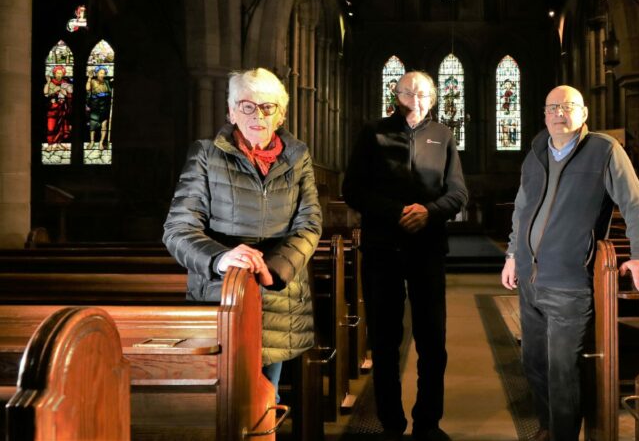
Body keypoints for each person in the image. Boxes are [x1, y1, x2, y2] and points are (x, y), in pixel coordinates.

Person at [501, 85, 639, 441]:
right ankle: (547, 427)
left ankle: (564, 435)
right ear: (544, 115)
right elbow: (522, 209)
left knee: (563, 370)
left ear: (584, 113)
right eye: (552, 107)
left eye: (568, 106)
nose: (559, 113)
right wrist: (511, 255)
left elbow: (636, 204)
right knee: (534, 363)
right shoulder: (536, 152)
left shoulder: (604, 150)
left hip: (569, 282)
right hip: (530, 278)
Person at [163, 67, 321, 395]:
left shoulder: (298, 157)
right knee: (220, 400)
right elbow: (178, 228)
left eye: (267, 107)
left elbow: (309, 224)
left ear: (281, 115)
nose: (257, 115)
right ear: (231, 112)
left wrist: (273, 270)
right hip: (220, 293)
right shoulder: (206, 154)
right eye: (246, 106)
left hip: (278, 295)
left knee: (265, 398)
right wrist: (221, 258)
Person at [343, 71, 468, 441]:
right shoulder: (373, 133)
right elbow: (353, 189)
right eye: (409, 92)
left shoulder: (443, 135)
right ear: (395, 96)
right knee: (385, 340)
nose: (417, 98)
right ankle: (391, 424)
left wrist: (430, 211)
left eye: (424, 92)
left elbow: (458, 192)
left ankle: (428, 424)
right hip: (382, 249)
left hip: (427, 249)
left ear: (434, 97)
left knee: (432, 340)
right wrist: (395, 211)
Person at [44, 65, 73, 150]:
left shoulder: (65, 83)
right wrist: (48, 83)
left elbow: (70, 94)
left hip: (62, 108)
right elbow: (45, 93)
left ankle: (58, 143)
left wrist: (66, 94)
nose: (59, 75)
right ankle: (50, 144)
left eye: (61, 73)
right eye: (57, 73)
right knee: (51, 127)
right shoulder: (51, 83)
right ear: (54, 73)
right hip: (52, 109)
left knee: (61, 128)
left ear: (63, 74)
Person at [86, 66, 113, 149]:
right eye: (101, 73)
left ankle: (101, 142)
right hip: (95, 104)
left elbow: (110, 91)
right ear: (97, 73)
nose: (102, 75)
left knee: (104, 126)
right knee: (93, 125)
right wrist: (89, 78)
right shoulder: (93, 81)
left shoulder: (107, 82)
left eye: (104, 73)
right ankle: (92, 142)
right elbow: (87, 89)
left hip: (104, 105)